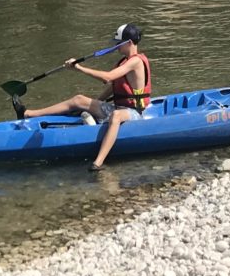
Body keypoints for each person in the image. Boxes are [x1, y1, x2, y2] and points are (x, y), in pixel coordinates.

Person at [12, 23, 150, 171]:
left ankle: (98, 163)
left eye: (118, 44)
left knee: (116, 116)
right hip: (119, 107)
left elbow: (109, 77)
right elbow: (113, 86)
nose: (116, 46)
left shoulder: (135, 61)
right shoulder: (124, 61)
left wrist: (80, 68)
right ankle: (28, 113)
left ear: (129, 43)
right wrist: (93, 104)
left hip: (134, 113)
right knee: (79, 99)